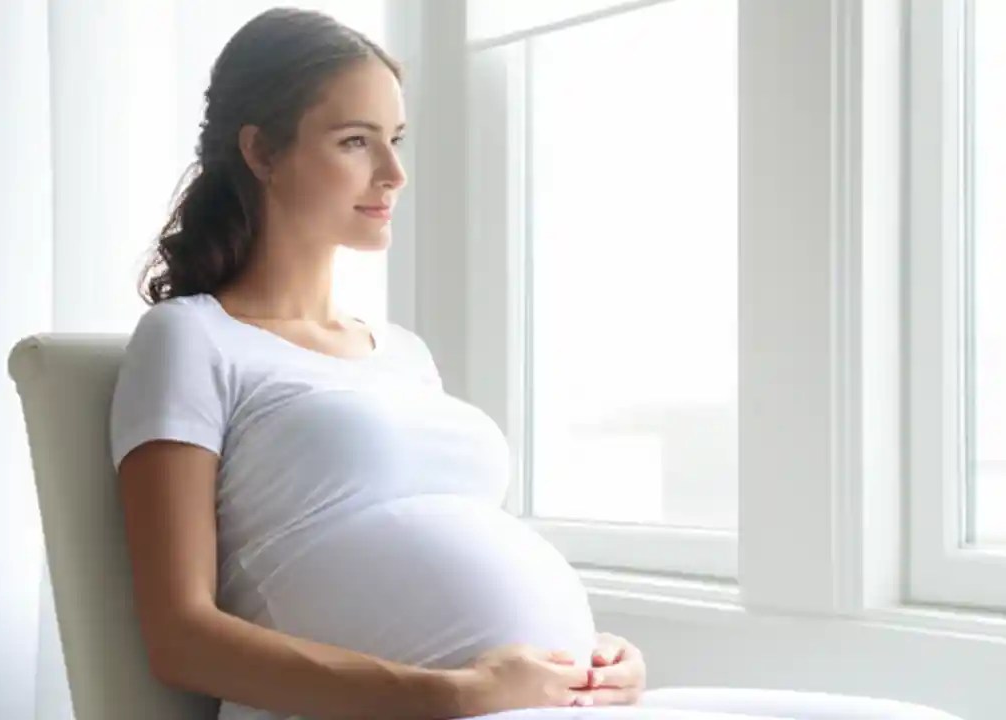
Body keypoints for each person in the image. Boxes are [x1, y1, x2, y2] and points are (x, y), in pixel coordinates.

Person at [111, 8, 961, 720]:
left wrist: (588, 656)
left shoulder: (403, 354)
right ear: (262, 153)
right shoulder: (192, 340)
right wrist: (450, 692)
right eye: (355, 141)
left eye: (397, 138)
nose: (395, 172)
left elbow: (445, 550)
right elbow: (179, 635)